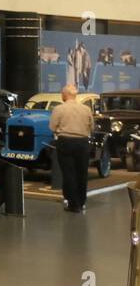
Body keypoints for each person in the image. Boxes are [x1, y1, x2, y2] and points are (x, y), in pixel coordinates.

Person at [50, 84, 94, 214]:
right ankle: (81, 201)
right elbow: (92, 127)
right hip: (83, 143)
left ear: (65, 95)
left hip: (65, 143)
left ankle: (73, 204)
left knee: (69, 173)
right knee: (82, 173)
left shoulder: (58, 109)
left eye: (62, 93)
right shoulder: (86, 109)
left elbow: (52, 127)